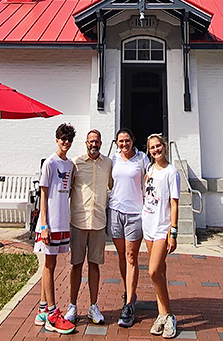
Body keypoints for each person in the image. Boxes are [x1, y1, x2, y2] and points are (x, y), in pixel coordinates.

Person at [65, 129, 113, 325]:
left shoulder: (108, 164)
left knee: (94, 264)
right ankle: (72, 306)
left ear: (101, 143)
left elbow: (112, 186)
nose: (94, 144)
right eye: (91, 141)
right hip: (79, 220)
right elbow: (66, 189)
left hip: (98, 221)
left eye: (97, 141)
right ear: (86, 142)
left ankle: (94, 306)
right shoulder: (75, 163)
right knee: (76, 264)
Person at [34, 123, 77, 334]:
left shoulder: (70, 165)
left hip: (62, 221)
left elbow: (68, 192)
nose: (66, 143)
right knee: (49, 264)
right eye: (63, 139)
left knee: (52, 263)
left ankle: (42, 309)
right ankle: (52, 312)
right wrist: (44, 225)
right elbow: (43, 194)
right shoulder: (50, 163)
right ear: (56, 139)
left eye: (69, 139)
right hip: (49, 222)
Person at [108, 127, 150, 328]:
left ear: (133, 140)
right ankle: (129, 291)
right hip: (116, 211)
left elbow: (152, 180)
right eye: (120, 141)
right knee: (122, 255)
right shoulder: (113, 159)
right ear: (116, 143)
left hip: (135, 213)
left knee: (132, 257)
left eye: (127, 140)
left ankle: (129, 304)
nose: (124, 144)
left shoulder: (142, 159)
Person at [142, 133, 180, 339]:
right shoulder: (149, 169)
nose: (156, 150)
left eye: (159, 146)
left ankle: (169, 315)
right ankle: (161, 315)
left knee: (153, 271)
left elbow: (174, 203)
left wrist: (173, 232)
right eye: (152, 147)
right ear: (148, 150)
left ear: (165, 146)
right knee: (160, 273)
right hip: (148, 224)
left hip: (162, 228)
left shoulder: (171, 173)